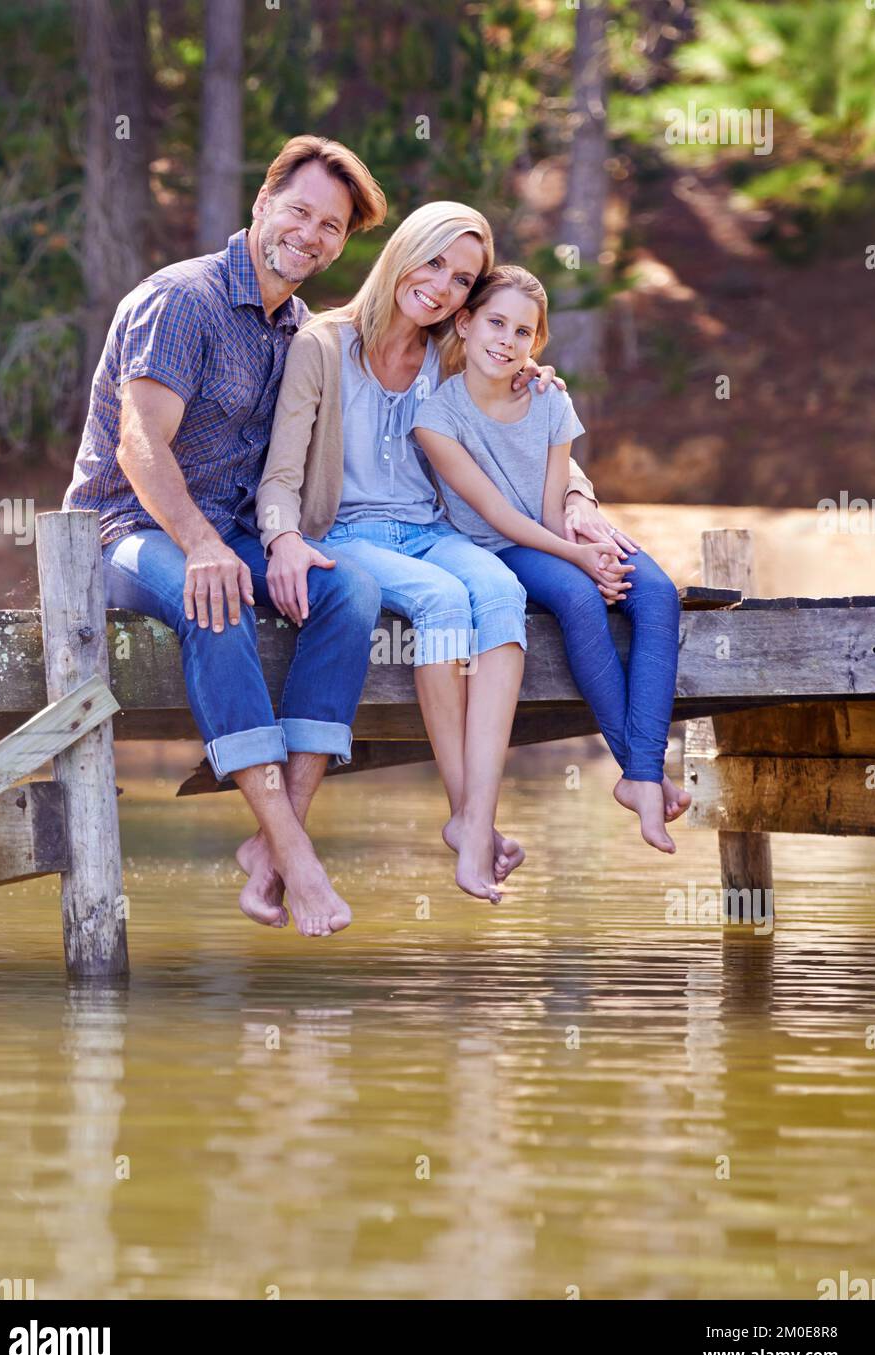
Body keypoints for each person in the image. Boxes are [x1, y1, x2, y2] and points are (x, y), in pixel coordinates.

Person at [62, 135, 390, 938]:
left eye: (332, 227)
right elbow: (141, 447)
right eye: (300, 211)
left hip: (236, 534)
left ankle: (273, 846)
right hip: (125, 532)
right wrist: (203, 545)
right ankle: (297, 858)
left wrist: (520, 373)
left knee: (349, 590)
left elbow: (401, 360)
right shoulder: (183, 299)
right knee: (218, 600)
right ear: (261, 203)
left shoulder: (299, 327)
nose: (311, 235)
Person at [256, 204, 621, 902]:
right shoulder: (322, 345)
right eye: (432, 264)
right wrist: (281, 538)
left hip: (433, 533)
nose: (441, 287)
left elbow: (523, 436)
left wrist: (577, 497)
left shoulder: (453, 350)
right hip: (346, 533)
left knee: (499, 592)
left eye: (461, 280)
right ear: (401, 253)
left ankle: (472, 821)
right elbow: (280, 475)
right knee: (441, 599)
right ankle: (468, 822)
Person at [414, 265, 690, 852]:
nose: (505, 341)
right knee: (576, 596)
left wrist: (590, 544)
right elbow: (497, 515)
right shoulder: (438, 417)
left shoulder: (547, 400)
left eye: (522, 332)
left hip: (552, 530)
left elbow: (548, 502)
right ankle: (641, 774)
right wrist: (581, 561)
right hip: (499, 546)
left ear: (535, 343)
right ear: (463, 324)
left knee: (658, 593)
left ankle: (640, 774)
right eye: (495, 323)